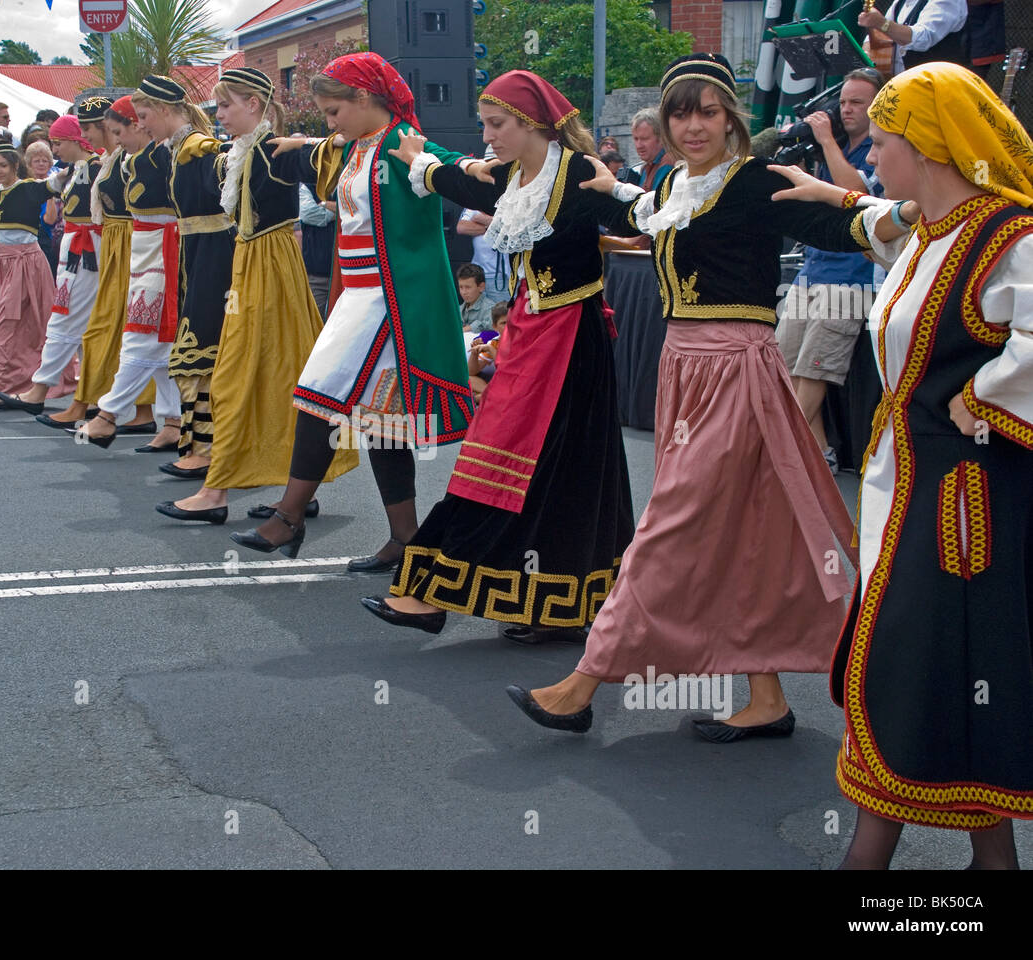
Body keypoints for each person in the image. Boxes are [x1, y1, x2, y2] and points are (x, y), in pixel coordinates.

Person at [492, 54, 912, 732]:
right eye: (680, 113)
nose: (692, 125)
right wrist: (609, 188)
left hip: (734, 371)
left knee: (669, 527)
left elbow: (848, 229)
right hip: (683, 368)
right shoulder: (674, 185)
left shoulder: (752, 181)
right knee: (746, 528)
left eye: (706, 112)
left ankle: (582, 683)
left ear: (730, 119)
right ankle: (768, 699)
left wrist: (899, 204)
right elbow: (647, 211)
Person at [777, 62, 1033, 869]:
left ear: (927, 146)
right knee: (938, 655)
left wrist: (986, 395)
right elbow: (880, 217)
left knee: (922, 650)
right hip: (910, 481)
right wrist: (839, 200)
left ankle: (878, 852)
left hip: (970, 498)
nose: (873, 154)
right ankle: (986, 858)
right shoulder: (933, 226)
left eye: (882, 142)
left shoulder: (1010, 235)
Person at [364, 68, 635, 639]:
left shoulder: (582, 173)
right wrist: (419, 158)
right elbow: (460, 184)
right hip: (530, 337)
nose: (487, 135)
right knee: (512, 465)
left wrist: (640, 206)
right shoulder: (512, 177)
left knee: (557, 471)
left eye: (497, 124)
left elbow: (636, 218)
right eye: (487, 125)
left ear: (533, 123)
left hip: (573, 342)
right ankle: (526, 603)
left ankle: (467, 597)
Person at [228, 54, 475, 562]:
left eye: (335, 109)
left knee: (317, 393)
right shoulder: (357, 145)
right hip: (358, 299)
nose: (330, 122)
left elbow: (450, 166)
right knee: (385, 422)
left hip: (388, 301)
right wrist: (302, 144)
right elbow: (324, 150)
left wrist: (470, 165)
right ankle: (406, 539)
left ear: (365, 98)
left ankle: (289, 517)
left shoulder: (405, 144)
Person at [157, 66, 360, 527]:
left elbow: (337, 154)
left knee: (236, 378)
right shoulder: (240, 153)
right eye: (218, 106)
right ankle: (296, 486)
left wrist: (308, 144)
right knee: (279, 377)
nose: (219, 114)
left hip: (271, 270)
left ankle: (215, 491)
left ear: (254, 104)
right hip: (251, 268)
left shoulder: (273, 150)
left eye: (226, 105)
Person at [776, 68, 885, 473]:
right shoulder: (832, 146)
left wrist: (824, 141)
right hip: (813, 269)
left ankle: (780, 453)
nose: (846, 109)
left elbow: (857, 194)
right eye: (843, 102)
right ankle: (820, 452)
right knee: (784, 366)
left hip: (851, 278)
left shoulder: (878, 148)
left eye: (857, 102)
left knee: (813, 370)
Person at [73, 78, 192, 448]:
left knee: (141, 337)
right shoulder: (136, 161)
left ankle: (108, 414)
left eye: (120, 129)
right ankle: (172, 421)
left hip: (163, 252)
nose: (117, 139)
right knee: (157, 341)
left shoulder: (173, 153)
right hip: (144, 252)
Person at [0, 114, 103, 417]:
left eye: (58, 143)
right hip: (75, 250)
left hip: (88, 252)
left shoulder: (95, 169)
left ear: (74, 139)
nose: (55, 151)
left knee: (66, 321)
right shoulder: (77, 170)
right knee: (75, 323)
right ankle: (80, 394)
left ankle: (43, 390)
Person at [61, 96, 157, 436]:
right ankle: (96, 402)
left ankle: (102, 405)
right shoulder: (110, 159)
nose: (89, 134)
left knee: (121, 327)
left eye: (91, 127)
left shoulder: (127, 159)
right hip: (114, 242)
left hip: (129, 241)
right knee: (111, 326)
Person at [160, 84, 239, 471]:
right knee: (198, 346)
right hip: (195, 254)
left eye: (144, 116)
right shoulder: (180, 151)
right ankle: (200, 446)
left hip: (213, 256)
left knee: (204, 346)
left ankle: (208, 449)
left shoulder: (200, 149)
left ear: (163, 109)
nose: (141, 125)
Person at [0, 140, 62, 409]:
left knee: (9, 326)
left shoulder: (27, 188)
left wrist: (77, 166)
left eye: (3, 166)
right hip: (5, 263)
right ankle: (16, 386)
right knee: (15, 327)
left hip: (26, 262)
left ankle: (2, 388)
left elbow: (54, 183)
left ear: (16, 166)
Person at [858, 0, 970, 74]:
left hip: (933, 87)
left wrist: (882, 23)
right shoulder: (900, 2)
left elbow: (924, 37)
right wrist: (868, 51)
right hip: (900, 85)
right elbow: (880, 34)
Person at [297, 180, 335, 318]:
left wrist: (324, 205)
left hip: (342, 276)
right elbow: (308, 213)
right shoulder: (306, 186)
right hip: (316, 278)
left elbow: (356, 208)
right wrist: (339, 211)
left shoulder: (342, 182)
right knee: (315, 326)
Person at [25, 140, 62, 278]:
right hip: (32, 240)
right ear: (29, 164)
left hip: (53, 241)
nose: (41, 164)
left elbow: (50, 220)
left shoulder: (57, 184)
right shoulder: (26, 186)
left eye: (45, 161)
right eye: (36, 161)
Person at [622, 107, 675, 193]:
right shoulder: (646, 167)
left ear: (661, 138)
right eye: (636, 139)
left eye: (644, 139)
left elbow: (655, 203)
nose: (639, 145)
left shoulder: (668, 162)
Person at [467, 300, 509, 404]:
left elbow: (506, 370)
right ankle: (490, 395)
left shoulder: (522, 341)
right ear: (495, 327)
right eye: (503, 323)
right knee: (468, 379)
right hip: (499, 385)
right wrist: (474, 353)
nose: (509, 326)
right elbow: (471, 372)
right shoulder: (495, 342)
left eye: (511, 322)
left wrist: (491, 350)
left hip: (515, 382)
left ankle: (483, 398)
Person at [456, 263, 493, 331]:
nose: (464, 292)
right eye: (461, 287)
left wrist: (469, 328)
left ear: (481, 287)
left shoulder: (491, 308)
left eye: (468, 287)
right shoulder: (459, 309)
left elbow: (492, 325)